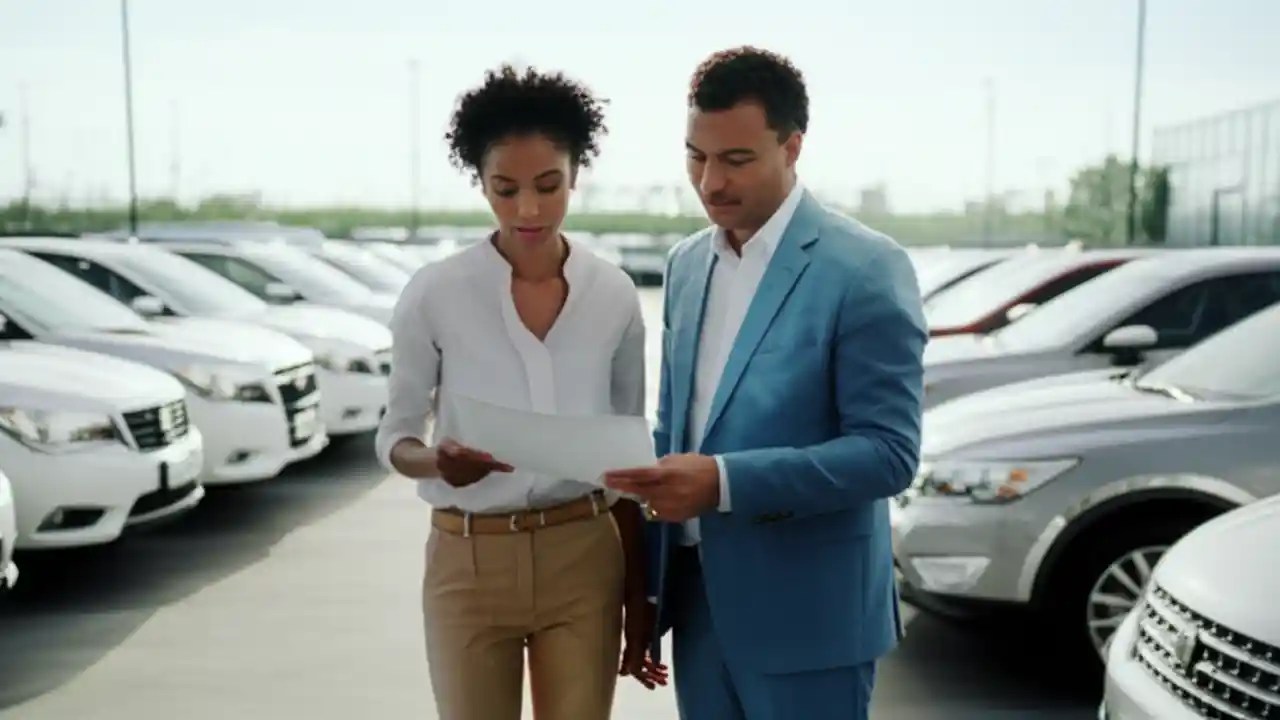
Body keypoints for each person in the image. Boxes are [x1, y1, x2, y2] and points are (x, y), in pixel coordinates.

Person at [605, 46, 927, 720]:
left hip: (810, 619)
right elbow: (676, 427)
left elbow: (888, 453)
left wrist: (723, 482)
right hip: (696, 611)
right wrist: (645, 593)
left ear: (793, 146)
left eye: (736, 160)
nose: (710, 182)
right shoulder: (687, 264)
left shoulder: (866, 267)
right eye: (696, 156)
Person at [375, 64, 667, 720]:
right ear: (481, 183)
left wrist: (639, 599)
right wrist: (437, 461)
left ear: (575, 175)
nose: (528, 209)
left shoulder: (613, 294)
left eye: (548, 185)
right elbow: (394, 439)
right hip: (467, 562)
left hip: (584, 556)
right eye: (504, 189)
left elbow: (626, 457)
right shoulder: (435, 293)